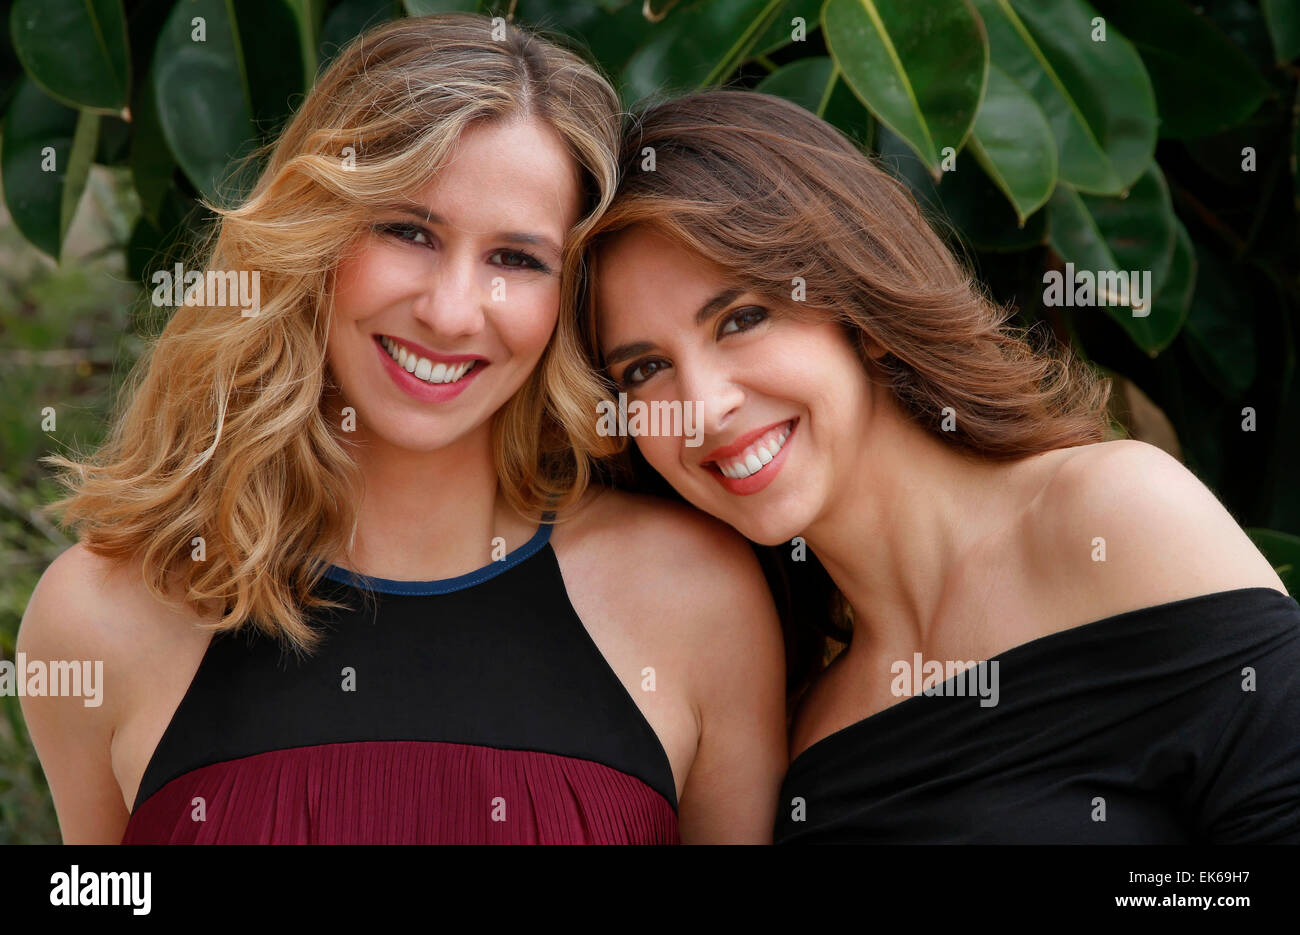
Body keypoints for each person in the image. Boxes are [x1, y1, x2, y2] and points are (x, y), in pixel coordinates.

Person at [17, 18, 786, 845]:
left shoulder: (696, 597)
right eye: (408, 231)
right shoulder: (99, 618)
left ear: (565, 301)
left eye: (517, 259)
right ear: (314, 233)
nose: (451, 312)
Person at [581, 88, 1300, 843]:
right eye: (643, 369)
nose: (700, 405)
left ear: (865, 313)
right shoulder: (792, 717)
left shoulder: (1109, 517)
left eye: (742, 319)